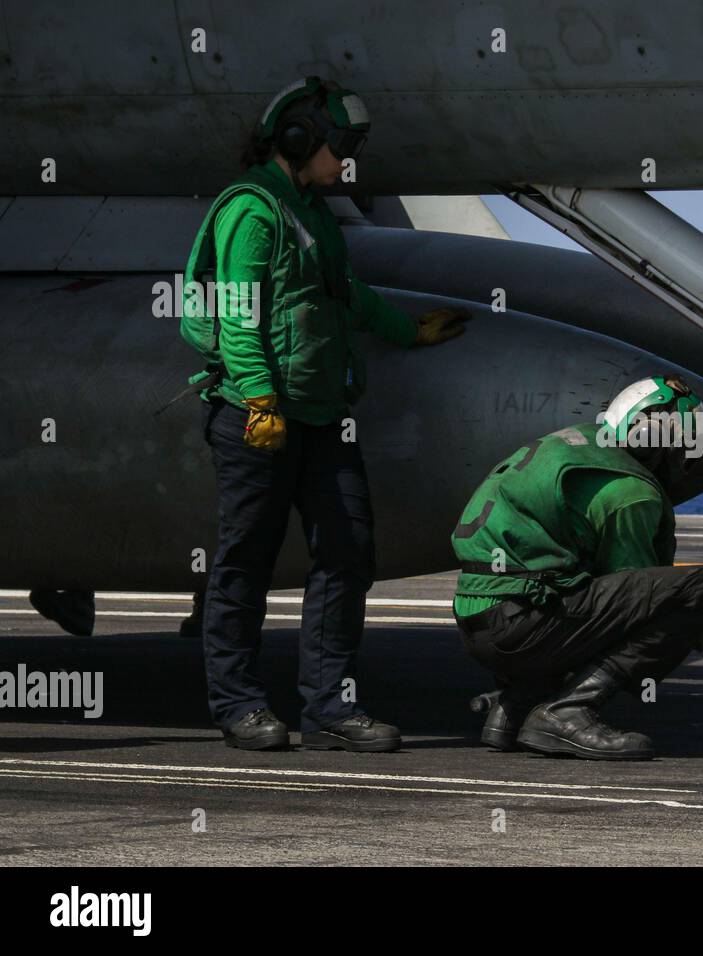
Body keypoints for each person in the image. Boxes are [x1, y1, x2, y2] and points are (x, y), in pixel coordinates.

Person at [180, 76, 469, 751]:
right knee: (244, 562)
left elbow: (344, 294)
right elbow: (240, 315)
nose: (346, 163)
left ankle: (330, 707)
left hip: (319, 415)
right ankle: (238, 705)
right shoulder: (253, 212)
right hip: (259, 418)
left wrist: (408, 331)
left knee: (347, 551)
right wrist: (258, 398)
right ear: (297, 139)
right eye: (339, 148)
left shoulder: (310, 214)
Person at [451, 375, 703, 760]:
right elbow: (645, 607)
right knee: (699, 586)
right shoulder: (630, 493)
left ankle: (516, 708)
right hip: (521, 624)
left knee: (577, 587)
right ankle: (567, 711)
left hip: (478, 618)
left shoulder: (577, 441)